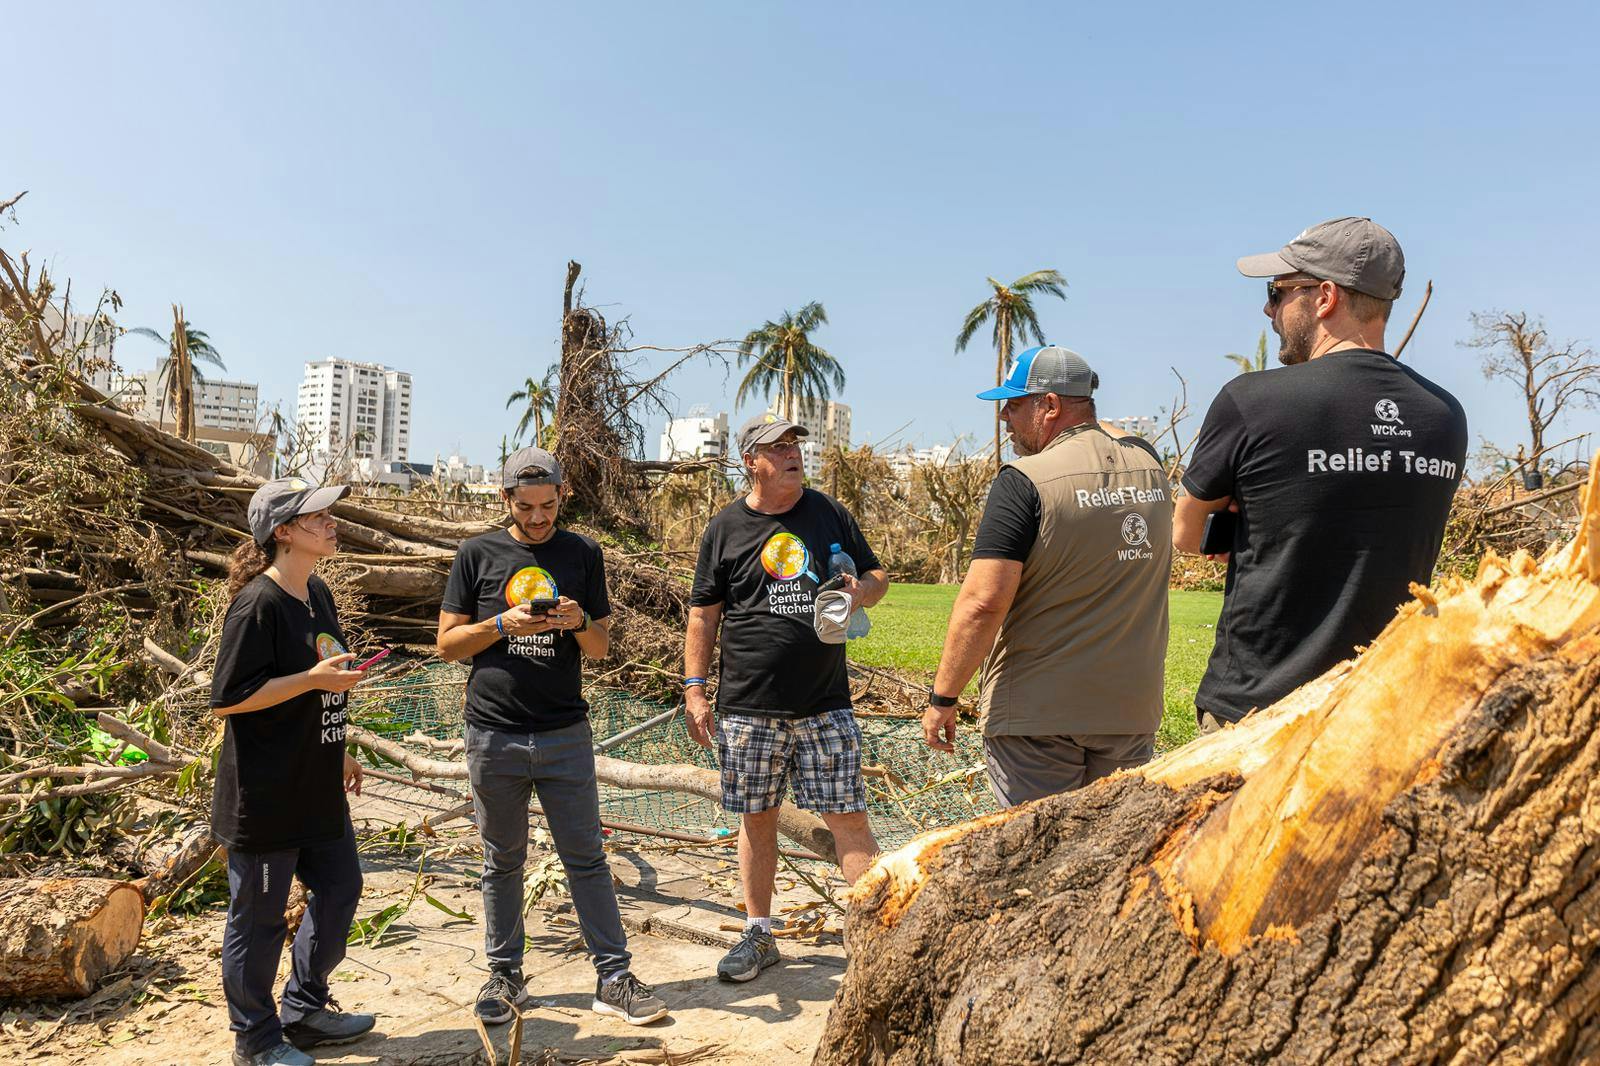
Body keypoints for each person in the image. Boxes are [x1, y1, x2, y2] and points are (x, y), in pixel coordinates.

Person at [1174, 217, 1468, 732]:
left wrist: (1243, 516)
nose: (1269, 308)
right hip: (1379, 708)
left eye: (1278, 292)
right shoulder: (1444, 414)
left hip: (1256, 711)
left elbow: (1185, 533)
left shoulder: (1253, 400)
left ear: (1325, 296)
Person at [438, 447, 668, 1027]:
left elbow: (601, 646)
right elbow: (446, 644)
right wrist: (499, 625)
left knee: (586, 858)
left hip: (565, 732)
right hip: (493, 734)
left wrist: (578, 622)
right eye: (525, 506)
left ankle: (613, 976)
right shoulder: (477, 553)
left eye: (547, 505)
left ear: (563, 495)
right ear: (505, 500)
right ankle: (505, 975)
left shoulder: (582, 553)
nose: (538, 518)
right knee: (501, 860)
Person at [684, 413, 888, 982]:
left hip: (825, 702)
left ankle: (884, 934)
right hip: (748, 706)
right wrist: (695, 689)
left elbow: (878, 578)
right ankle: (759, 934)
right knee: (756, 820)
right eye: (779, 447)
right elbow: (704, 614)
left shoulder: (828, 512)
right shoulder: (724, 528)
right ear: (752, 461)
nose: (795, 453)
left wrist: (860, 591)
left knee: (849, 820)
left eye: (797, 443)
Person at [921, 346, 1172, 806]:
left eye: (1014, 405)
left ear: (1049, 405)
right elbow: (1103, 432)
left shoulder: (1023, 480)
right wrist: (1085, 415)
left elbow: (983, 602)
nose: (1004, 419)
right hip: (1129, 717)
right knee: (1114, 857)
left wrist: (944, 697)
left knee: (1034, 859)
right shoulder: (1150, 467)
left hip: (1037, 722)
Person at [210, 477, 375, 1066]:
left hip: (317, 784)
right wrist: (310, 681)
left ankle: (304, 1007)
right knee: (258, 921)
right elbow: (229, 698)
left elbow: (321, 680)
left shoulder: (319, 594)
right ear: (283, 532)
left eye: (330, 514)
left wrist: (339, 747)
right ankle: (254, 1039)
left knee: (340, 888)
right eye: (318, 517)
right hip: (267, 795)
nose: (332, 523)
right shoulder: (258, 603)